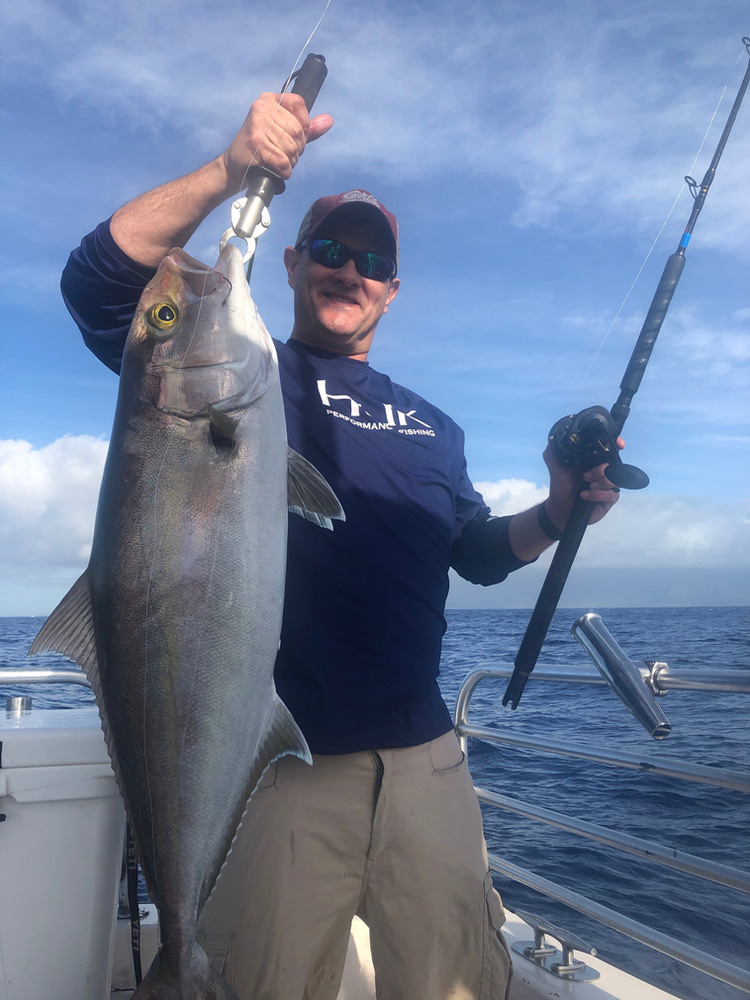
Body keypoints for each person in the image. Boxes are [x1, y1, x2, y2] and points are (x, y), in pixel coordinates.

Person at [61, 93, 622, 1000]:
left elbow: (475, 551)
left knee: (455, 981)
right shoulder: (246, 372)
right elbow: (98, 283)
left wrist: (557, 513)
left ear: (393, 288)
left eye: (372, 261)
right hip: (279, 764)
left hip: (427, 761)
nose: (348, 270)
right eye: (328, 250)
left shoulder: (436, 427)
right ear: (291, 262)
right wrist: (230, 170)